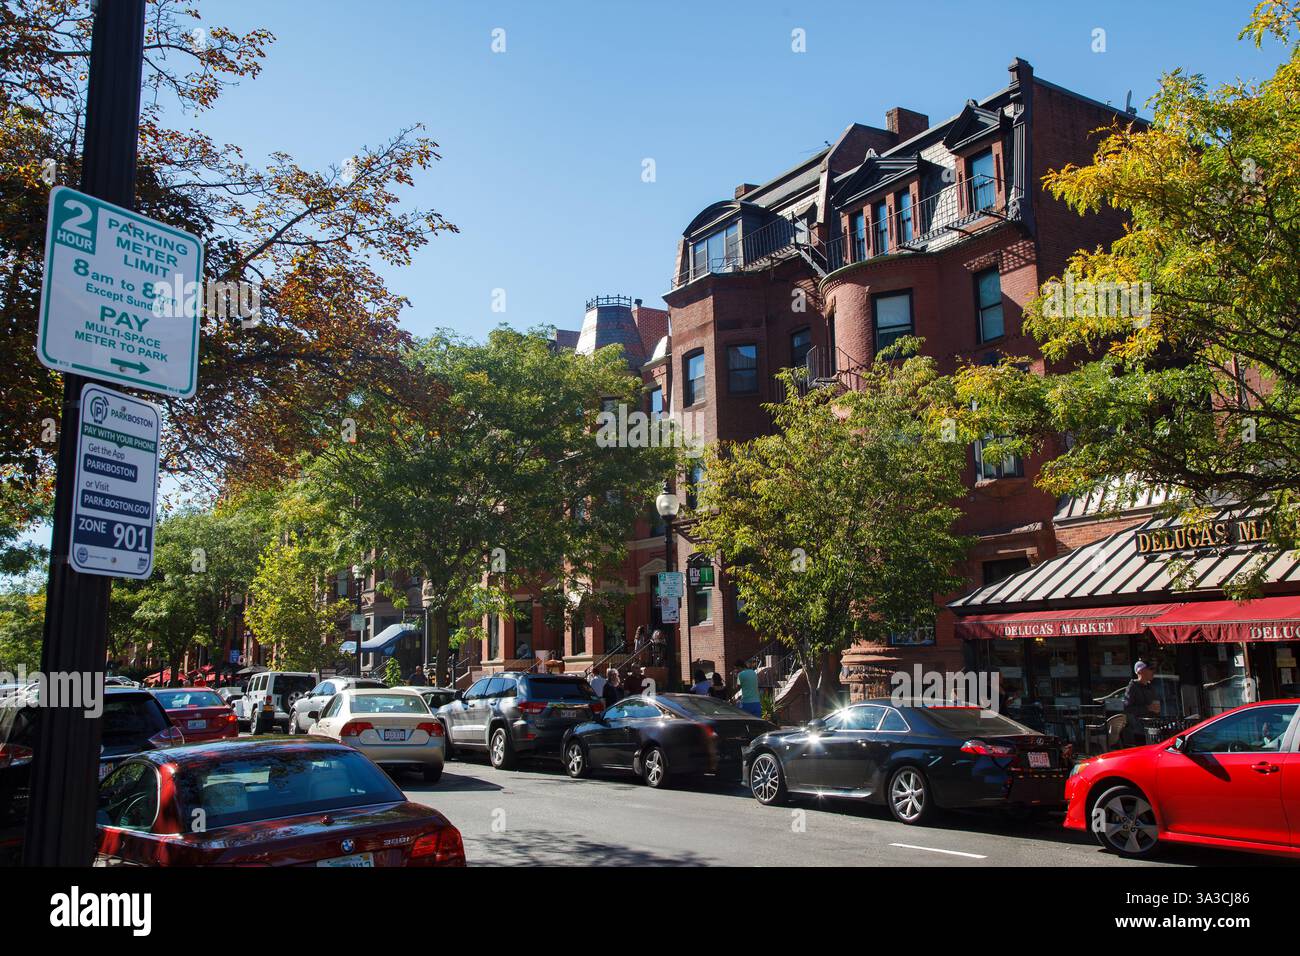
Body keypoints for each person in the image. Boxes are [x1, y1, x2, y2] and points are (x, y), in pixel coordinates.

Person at [1122, 660, 1160, 746]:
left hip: (1152, 728)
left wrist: (1156, 711)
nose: (1153, 672)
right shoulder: (1132, 687)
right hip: (1138, 731)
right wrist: (1148, 708)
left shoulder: (1150, 687)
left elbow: (1154, 706)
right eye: (1150, 669)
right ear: (1140, 671)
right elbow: (1127, 708)